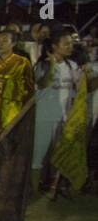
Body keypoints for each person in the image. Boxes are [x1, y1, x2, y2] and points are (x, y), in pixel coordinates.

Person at [32, 32, 81, 192]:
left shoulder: (72, 66)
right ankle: (33, 189)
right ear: (54, 46)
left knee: (58, 155)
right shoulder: (42, 65)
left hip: (63, 118)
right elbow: (43, 84)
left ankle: (51, 186)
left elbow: (77, 91)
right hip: (44, 117)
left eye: (71, 44)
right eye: (66, 44)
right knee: (38, 156)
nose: (70, 47)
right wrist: (52, 65)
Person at [0, 26, 34, 133]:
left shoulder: (22, 62)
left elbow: (30, 86)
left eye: (4, 41)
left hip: (13, 107)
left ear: (13, 44)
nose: (0, 44)